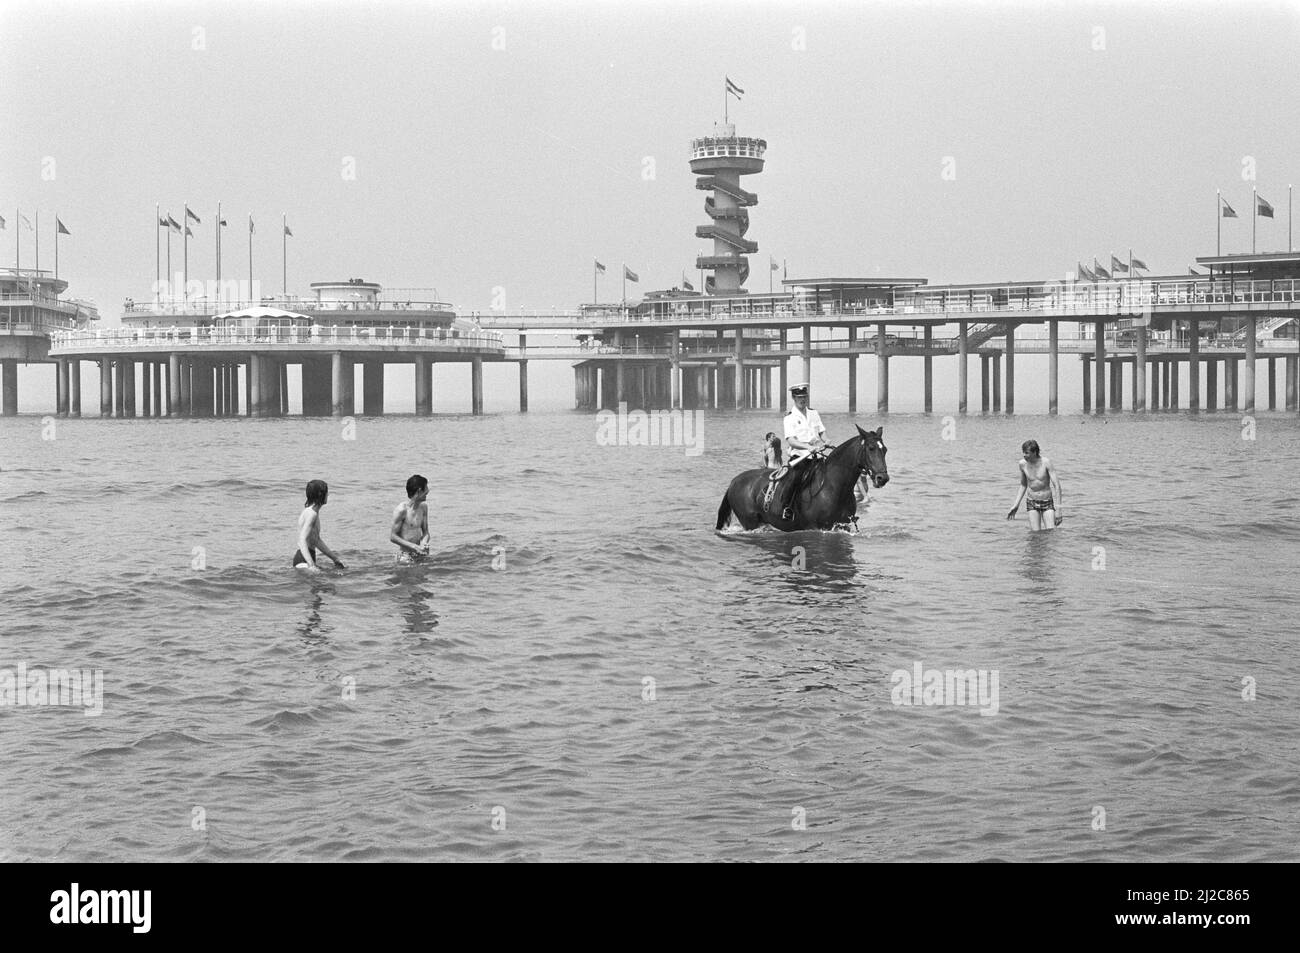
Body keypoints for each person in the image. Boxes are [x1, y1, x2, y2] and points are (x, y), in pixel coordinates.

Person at [777, 382, 828, 520]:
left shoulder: (814, 413)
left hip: (817, 455)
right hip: (800, 456)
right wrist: (807, 447)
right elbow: (791, 440)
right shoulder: (789, 418)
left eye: (804, 397)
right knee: (794, 478)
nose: (803, 400)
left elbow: (822, 431)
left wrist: (827, 440)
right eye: (799, 397)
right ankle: (786, 508)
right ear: (794, 398)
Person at [1006, 439, 1062, 531]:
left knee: (1051, 532)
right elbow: (1023, 485)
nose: (1024, 455)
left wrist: (1059, 509)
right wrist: (1016, 505)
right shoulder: (1022, 464)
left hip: (1047, 502)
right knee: (1035, 535)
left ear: (1034, 452)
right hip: (1032, 502)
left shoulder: (1046, 462)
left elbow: (1057, 487)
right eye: (1023, 452)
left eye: (1027, 453)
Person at [294, 479, 346, 570]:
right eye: (327, 492)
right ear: (320, 495)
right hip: (303, 560)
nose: (328, 495)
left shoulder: (313, 512)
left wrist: (335, 559)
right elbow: (301, 540)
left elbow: (316, 540)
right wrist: (311, 565)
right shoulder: (312, 514)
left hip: (306, 558)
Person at [391, 474, 431, 565]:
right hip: (404, 556)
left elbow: (426, 532)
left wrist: (424, 543)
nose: (428, 491)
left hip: (420, 553)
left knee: (423, 578)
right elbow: (393, 537)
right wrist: (414, 547)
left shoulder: (424, 507)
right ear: (419, 491)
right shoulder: (401, 510)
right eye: (426, 488)